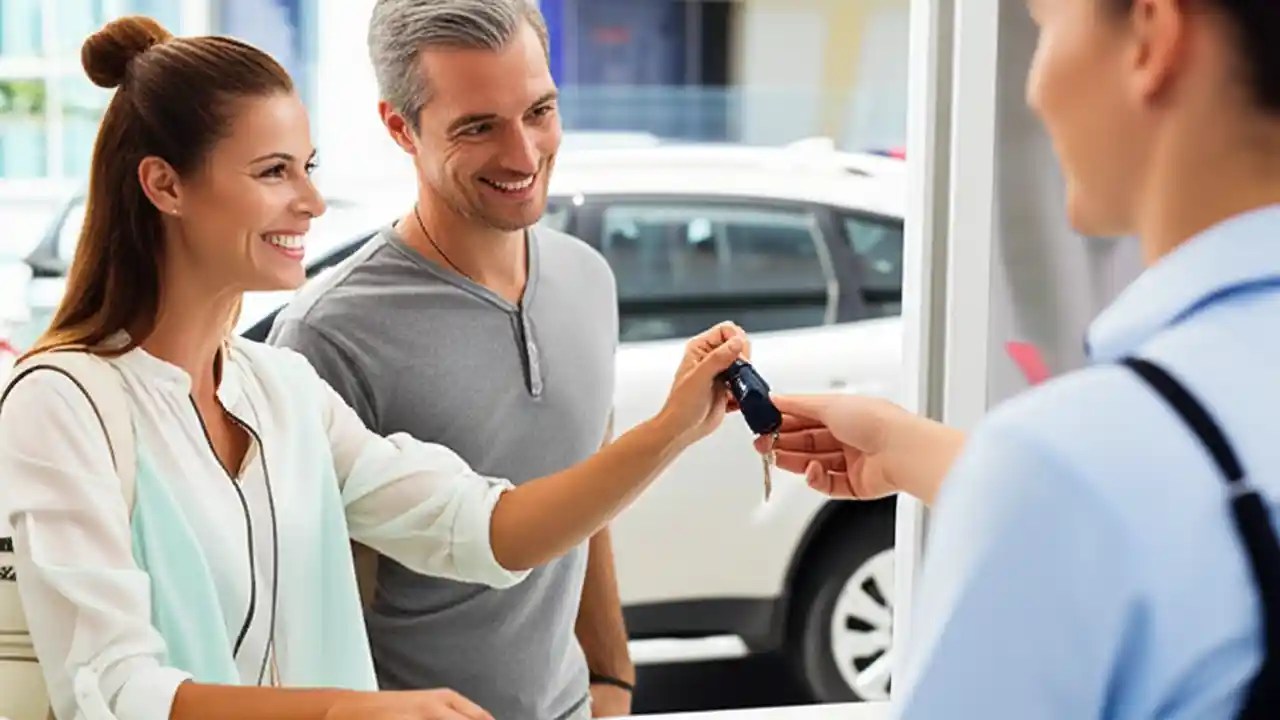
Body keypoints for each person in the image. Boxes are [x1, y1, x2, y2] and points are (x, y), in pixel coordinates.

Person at [0, 15, 750, 720]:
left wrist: (670, 432)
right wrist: (351, 709)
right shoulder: (61, 402)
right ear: (165, 185)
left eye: (308, 167)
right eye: (273, 172)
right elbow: (115, 685)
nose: (312, 202)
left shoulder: (280, 391)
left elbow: (483, 531)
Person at [761, 0, 1280, 717]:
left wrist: (1014, 479)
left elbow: (1101, 493)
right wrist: (915, 450)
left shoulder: (1071, 465)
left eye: (1045, 26)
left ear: (1152, 37)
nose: (1035, 88)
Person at [267, 2, 634, 717]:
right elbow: (298, 609)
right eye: (478, 126)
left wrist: (613, 679)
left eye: (538, 111)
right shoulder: (329, 334)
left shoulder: (590, 279)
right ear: (400, 127)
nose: (524, 155)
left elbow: (590, 494)